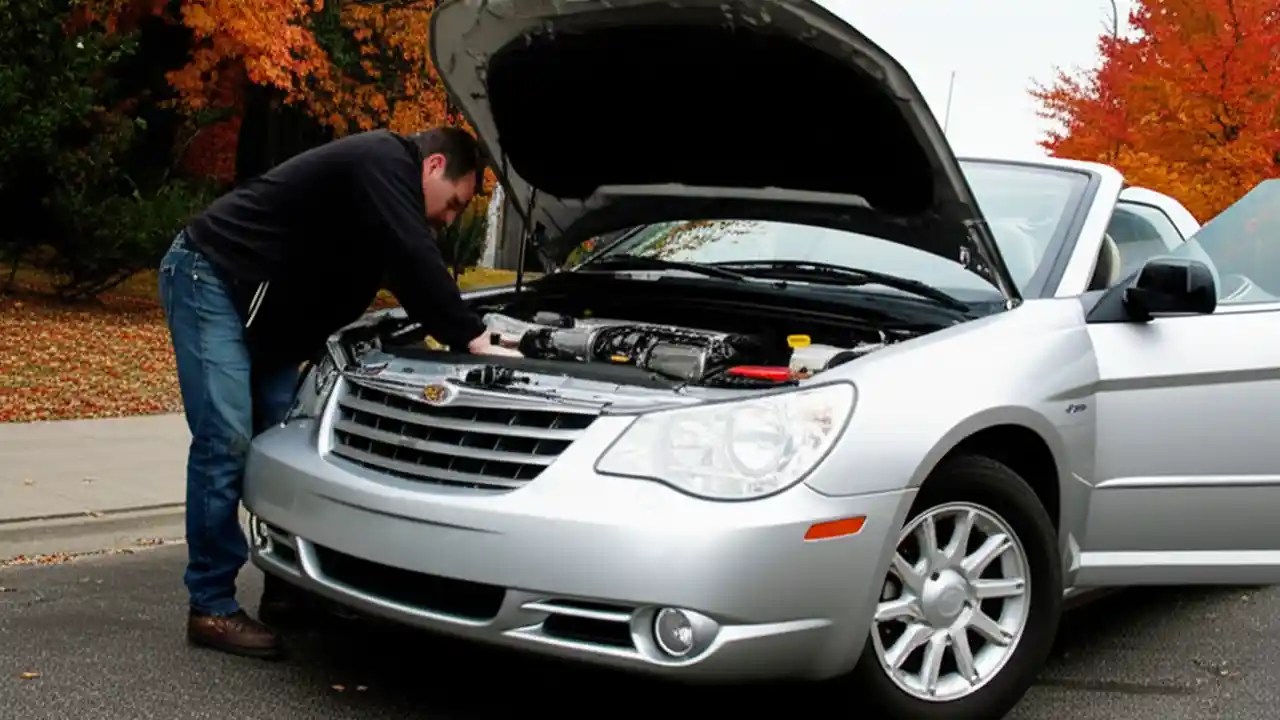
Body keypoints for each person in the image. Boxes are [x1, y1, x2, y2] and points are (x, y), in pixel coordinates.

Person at [157, 126, 511, 660]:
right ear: (433, 165)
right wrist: (471, 336)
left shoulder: (382, 202)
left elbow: (414, 284)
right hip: (211, 275)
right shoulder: (384, 160)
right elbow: (417, 256)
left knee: (284, 448)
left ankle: (287, 587)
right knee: (225, 440)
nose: (449, 218)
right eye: (455, 204)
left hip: (266, 322)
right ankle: (210, 604)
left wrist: (469, 327)